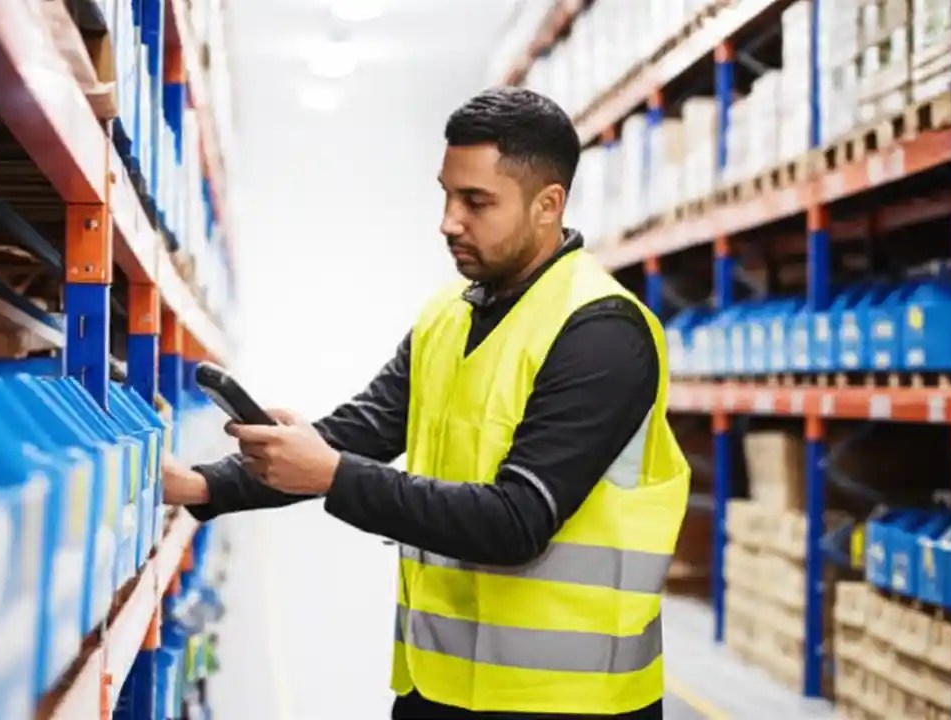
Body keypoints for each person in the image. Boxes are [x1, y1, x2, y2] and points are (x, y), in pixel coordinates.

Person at [163, 86, 690, 719]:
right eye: (446, 193)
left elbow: (517, 521)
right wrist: (204, 486)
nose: (448, 220)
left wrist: (333, 476)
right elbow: (363, 429)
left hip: (566, 703)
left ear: (549, 204)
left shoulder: (601, 332)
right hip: (436, 689)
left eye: (476, 201)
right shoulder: (449, 313)